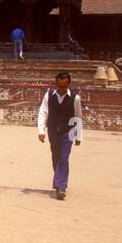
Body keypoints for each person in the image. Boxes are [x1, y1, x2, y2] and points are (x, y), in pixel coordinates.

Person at [38, 70, 82, 200]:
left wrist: (78, 135)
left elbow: (78, 116)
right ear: (56, 84)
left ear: (68, 85)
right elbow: (43, 112)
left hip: (67, 132)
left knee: (63, 157)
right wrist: (41, 131)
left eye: (64, 86)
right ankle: (60, 181)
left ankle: (61, 186)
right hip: (53, 131)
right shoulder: (49, 95)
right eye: (59, 86)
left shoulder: (75, 98)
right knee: (56, 157)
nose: (62, 89)